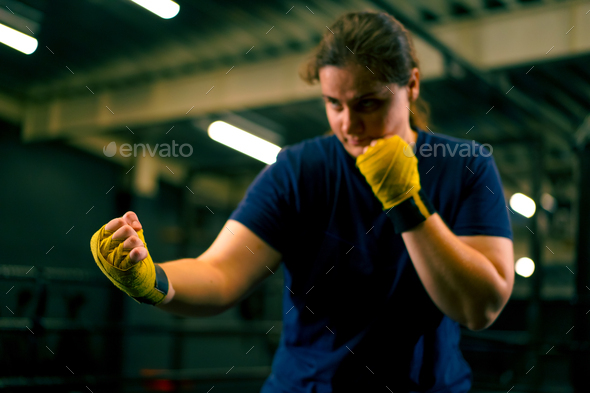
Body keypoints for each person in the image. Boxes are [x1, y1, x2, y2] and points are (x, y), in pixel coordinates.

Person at [90, 11, 514, 393]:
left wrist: (406, 201)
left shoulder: (464, 166)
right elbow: (219, 273)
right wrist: (154, 279)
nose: (349, 124)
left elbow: (480, 308)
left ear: (412, 85)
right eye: (334, 104)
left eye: (369, 103)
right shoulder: (299, 171)